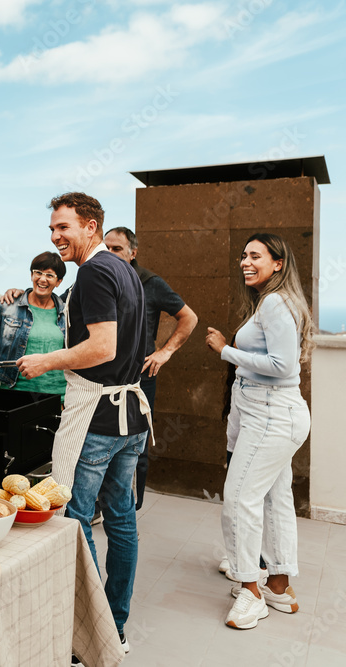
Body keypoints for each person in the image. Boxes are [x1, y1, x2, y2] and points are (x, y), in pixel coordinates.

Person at [15, 192, 149, 654]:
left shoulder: (93, 272)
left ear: (91, 226)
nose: (56, 237)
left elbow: (102, 347)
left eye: (64, 228)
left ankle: (90, 632)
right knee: (121, 519)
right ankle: (116, 626)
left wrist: (46, 362)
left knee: (73, 518)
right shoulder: (125, 269)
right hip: (130, 417)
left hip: (96, 416)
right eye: (52, 229)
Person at [205, 233, 312, 630]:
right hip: (269, 412)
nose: (245, 262)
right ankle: (278, 587)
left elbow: (282, 366)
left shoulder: (274, 302)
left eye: (255, 255)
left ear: (278, 263)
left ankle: (251, 591)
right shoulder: (273, 301)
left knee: (238, 499)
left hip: (271, 413)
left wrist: (224, 350)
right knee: (274, 497)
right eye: (243, 255)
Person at [103, 227, 198, 510]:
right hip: (101, 377)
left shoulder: (150, 282)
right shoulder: (98, 279)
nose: (109, 254)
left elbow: (189, 317)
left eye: (117, 249)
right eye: (105, 248)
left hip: (139, 379)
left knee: (136, 446)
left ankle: (130, 510)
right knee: (99, 444)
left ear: (133, 253)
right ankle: (101, 505)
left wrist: (164, 352)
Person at [0, 251, 67, 399]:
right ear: (31, 275)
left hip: (59, 395)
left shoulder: (67, 312)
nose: (42, 279)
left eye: (50, 275)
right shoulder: (9, 306)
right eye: (38, 272)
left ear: (59, 281)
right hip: (15, 392)